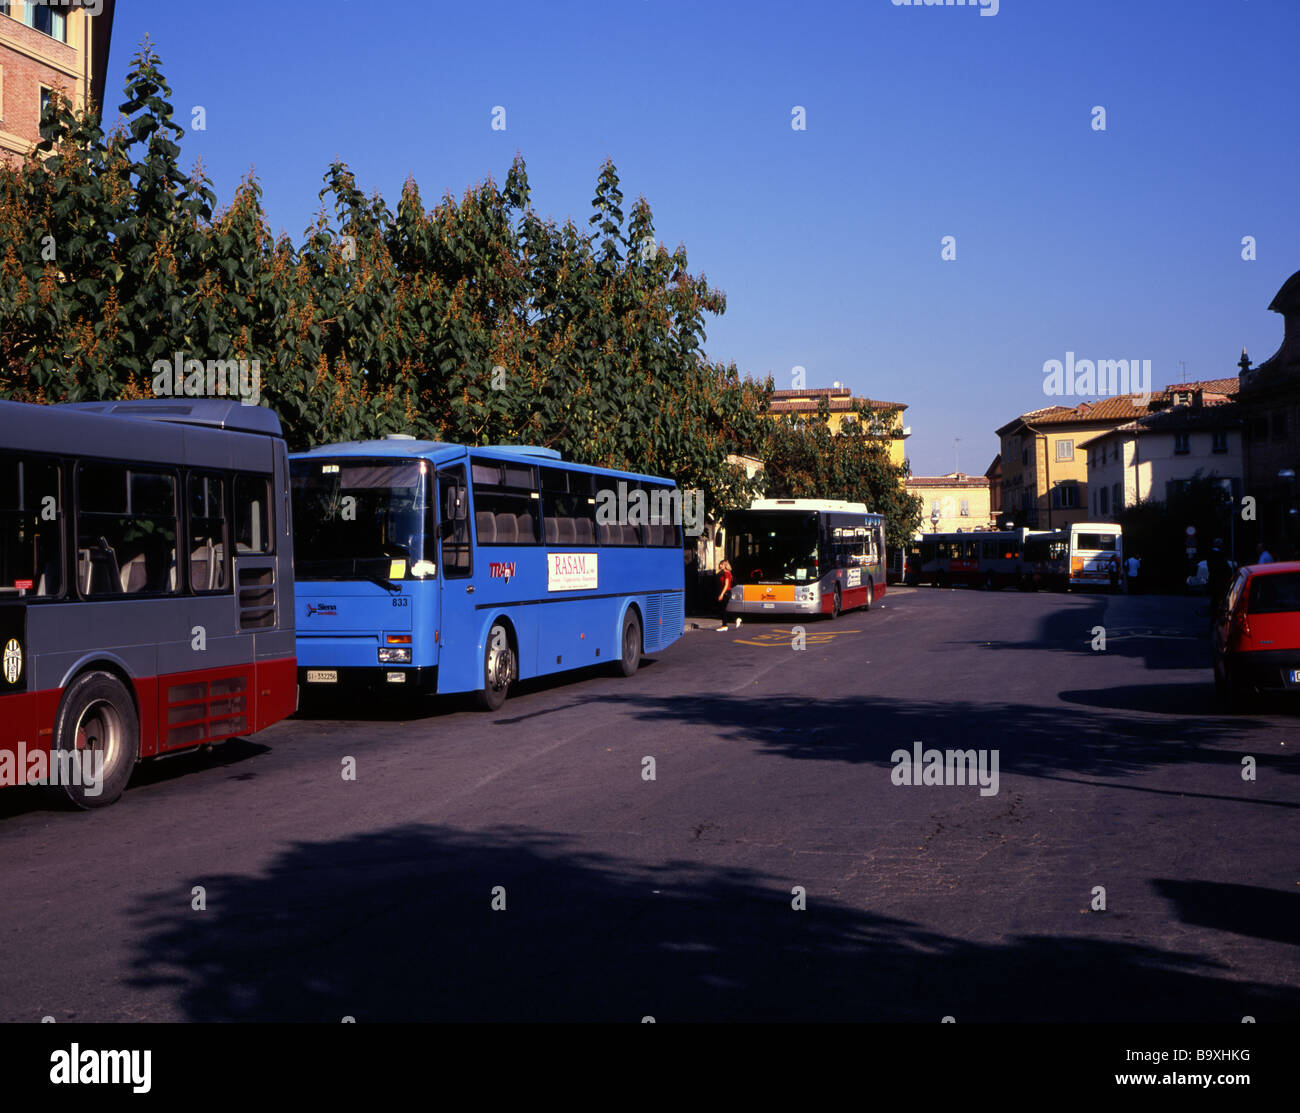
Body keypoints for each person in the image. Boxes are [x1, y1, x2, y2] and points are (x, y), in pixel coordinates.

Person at [1206, 539, 1231, 610]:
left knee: (1214, 596)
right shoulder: (1221, 554)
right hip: (1220, 579)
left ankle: (1213, 608)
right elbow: (1225, 566)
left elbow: (1209, 566)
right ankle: (1217, 610)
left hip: (1212, 577)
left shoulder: (1209, 553)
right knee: (1219, 595)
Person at [715, 559, 734, 626]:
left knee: (723, 608)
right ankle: (726, 624)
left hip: (726, 593)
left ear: (725, 565)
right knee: (723, 608)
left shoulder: (726, 573)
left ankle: (724, 625)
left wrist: (722, 594)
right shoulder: (725, 573)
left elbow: (726, 584)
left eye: (722, 564)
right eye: (720, 564)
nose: (720, 565)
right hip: (726, 592)